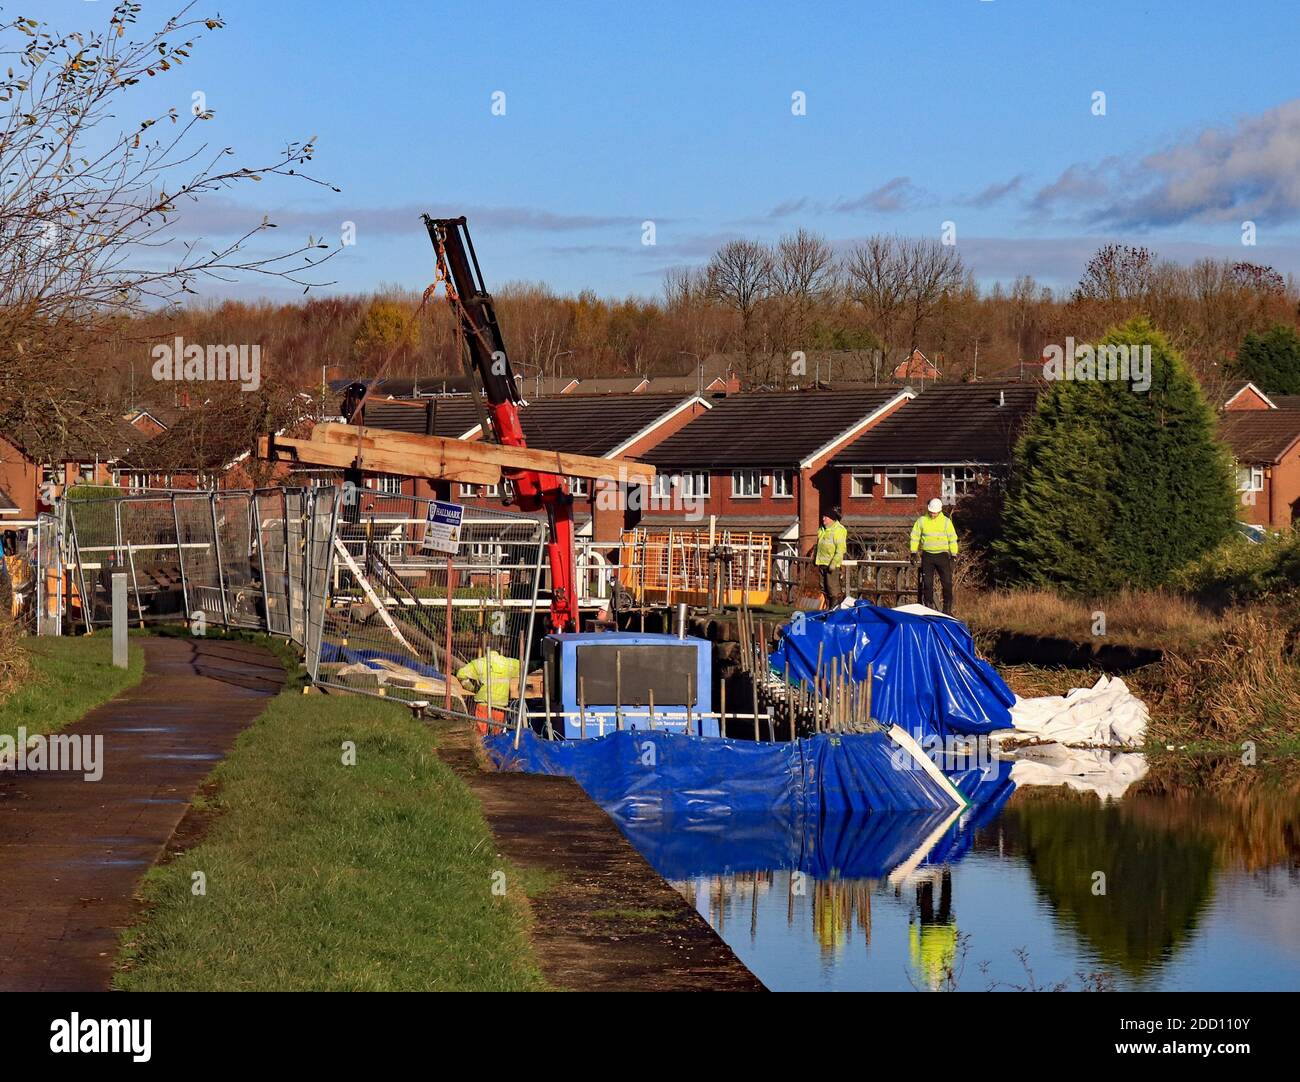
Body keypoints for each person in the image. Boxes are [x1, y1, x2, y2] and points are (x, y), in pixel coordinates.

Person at [910, 497, 958, 614]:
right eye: (931, 512)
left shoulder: (946, 522)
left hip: (942, 556)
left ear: (939, 511)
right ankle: (928, 609)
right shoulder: (922, 521)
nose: (933, 515)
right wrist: (913, 552)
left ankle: (947, 610)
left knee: (947, 583)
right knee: (927, 584)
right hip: (928, 556)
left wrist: (954, 555)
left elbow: (952, 539)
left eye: (935, 513)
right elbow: (915, 537)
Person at [456, 649, 522, 734]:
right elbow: (524, 666)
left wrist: (471, 687)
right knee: (496, 734)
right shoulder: (508, 663)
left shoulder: (479, 663)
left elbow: (461, 674)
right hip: (500, 705)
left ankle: (480, 747)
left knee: (480, 733)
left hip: (483, 704)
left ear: (486, 653)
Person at [814, 507, 848, 609]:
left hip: (831, 565)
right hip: (822, 563)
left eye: (825, 517)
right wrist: (815, 558)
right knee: (823, 587)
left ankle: (836, 610)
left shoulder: (839, 530)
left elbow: (841, 549)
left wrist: (834, 562)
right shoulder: (822, 529)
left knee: (833, 588)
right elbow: (819, 545)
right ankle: (828, 609)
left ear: (831, 519)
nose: (823, 519)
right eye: (823, 517)